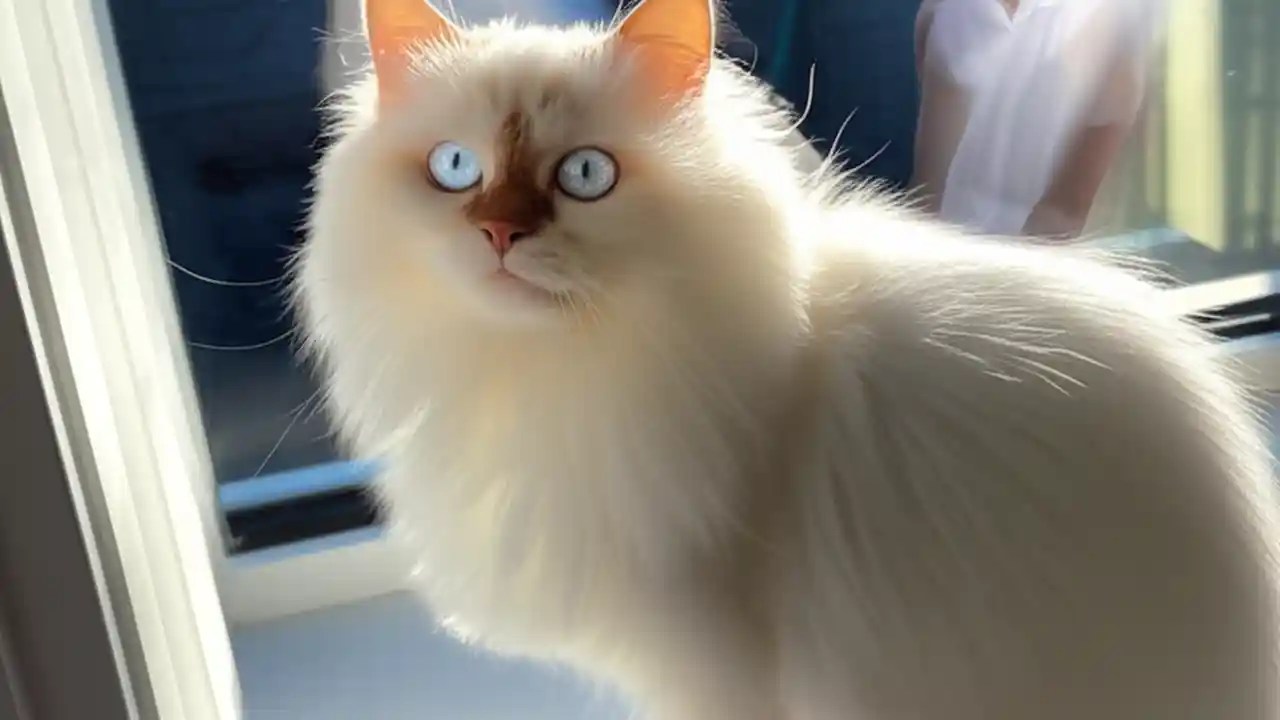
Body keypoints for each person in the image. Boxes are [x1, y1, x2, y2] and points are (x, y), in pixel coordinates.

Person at [912, 0, 1163, 238]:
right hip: (943, 245)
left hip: (1036, 255)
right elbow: (928, 183)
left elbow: (1067, 213)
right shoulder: (948, 11)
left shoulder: (1114, 18)